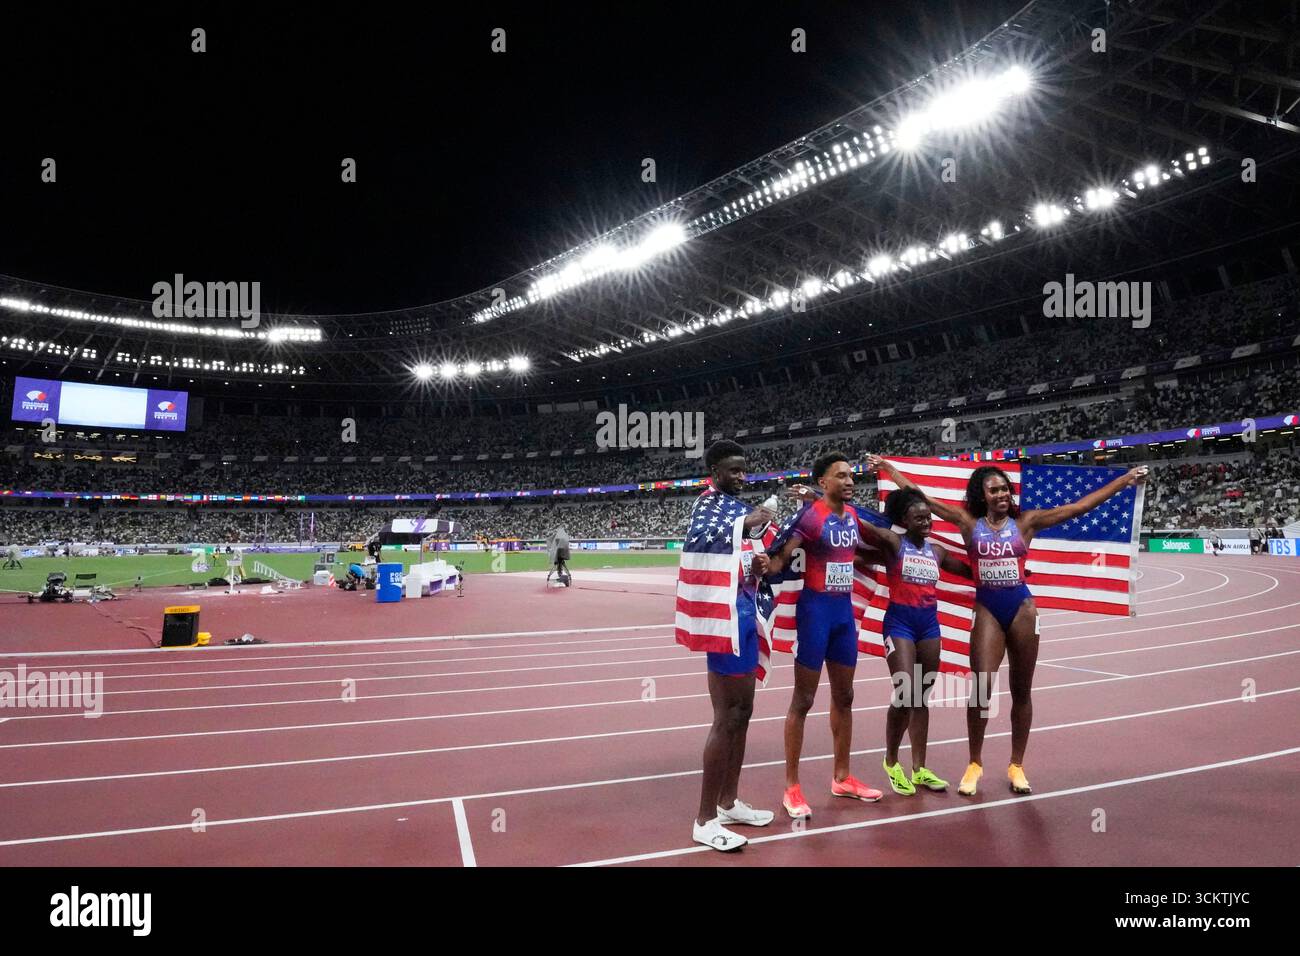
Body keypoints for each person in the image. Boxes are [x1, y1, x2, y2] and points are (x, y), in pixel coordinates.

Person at [869, 454, 1147, 797]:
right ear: (981, 495)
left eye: (1005, 489)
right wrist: (889, 470)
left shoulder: (1027, 522)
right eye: (994, 490)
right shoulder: (968, 523)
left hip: (1022, 608)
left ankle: (1017, 765)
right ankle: (974, 763)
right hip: (987, 607)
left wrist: (1125, 481)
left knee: (1021, 690)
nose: (1002, 494)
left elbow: (1077, 508)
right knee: (982, 688)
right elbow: (922, 497)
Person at [766, 451, 884, 819]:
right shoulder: (810, 517)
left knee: (845, 695)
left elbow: (856, 554)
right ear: (823, 482)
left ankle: (842, 777)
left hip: (843, 618)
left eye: (852, 476)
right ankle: (792, 787)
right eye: (842, 476)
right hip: (815, 613)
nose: (850, 481)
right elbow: (781, 560)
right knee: (803, 700)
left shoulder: (851, 516)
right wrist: (761, 564)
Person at [678, 440, 777, 851]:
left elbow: (744, 556)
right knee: (726, 715)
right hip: (724, 621)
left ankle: (728, 801)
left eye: (744, 470)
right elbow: (703, 547)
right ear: (715, 471)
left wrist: (757, 565)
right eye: (733, 471)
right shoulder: (707, 507)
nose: (742, 477)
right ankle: (704, 819)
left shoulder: (737, 511)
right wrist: (755, 519)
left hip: (746, 611)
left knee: (745, 711)